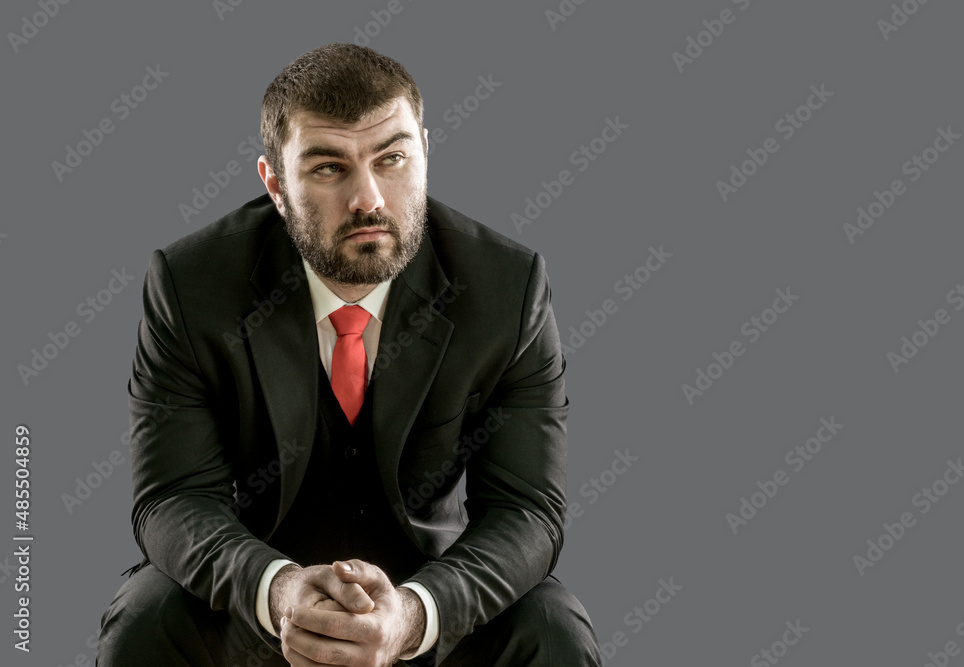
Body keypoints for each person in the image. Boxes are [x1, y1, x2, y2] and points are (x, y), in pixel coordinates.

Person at [97, 43, 600, 666]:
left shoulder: (507, 287)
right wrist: (279, 591)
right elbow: (173, 498)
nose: (370, 199)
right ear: (275, 184)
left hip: (435, 599)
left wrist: (414, 614)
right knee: (145, 617)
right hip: (254, 602)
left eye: (392, 158)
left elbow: (527, 511)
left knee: (552, 626)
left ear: (424, 153)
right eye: (329, 168)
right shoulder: (191, 284)